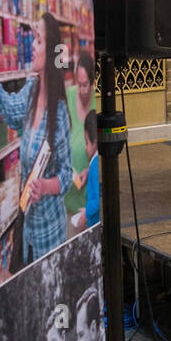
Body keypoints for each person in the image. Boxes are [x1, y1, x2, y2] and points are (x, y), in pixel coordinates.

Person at [0, 12, 73, 265]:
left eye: (38, 41)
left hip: (49, 233)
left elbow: (67, 175)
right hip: (26, 226)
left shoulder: (59, 114)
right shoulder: (32, 88)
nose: (32, 47)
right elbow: (13, 114)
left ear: (51, 52)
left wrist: (45, 187)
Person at [65, 50, 96, 223]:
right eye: (80, 83)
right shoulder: (70, 94)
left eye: (86, 85)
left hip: (89, 193)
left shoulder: (96, 100)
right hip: (70, 192)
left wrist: (88, 170)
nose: (82, 90)